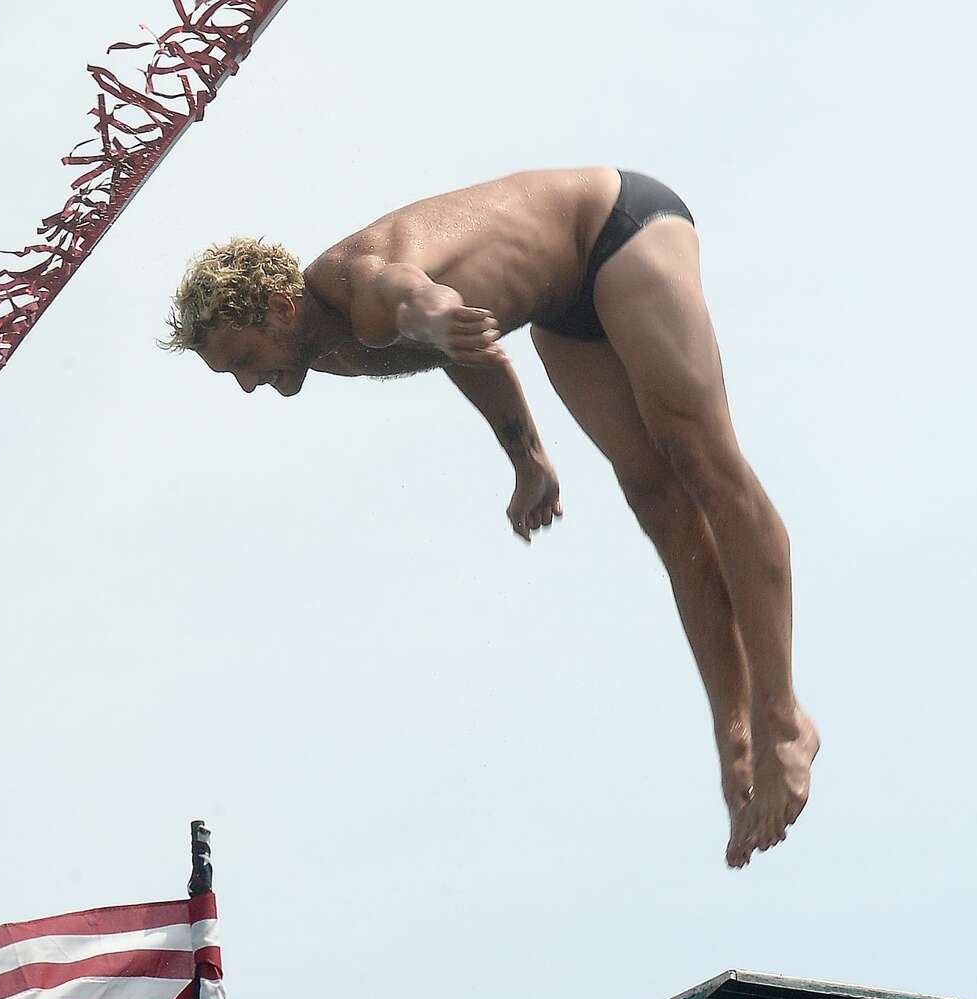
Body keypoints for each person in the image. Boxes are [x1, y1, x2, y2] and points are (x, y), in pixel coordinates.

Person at [164, 167, 818, 867]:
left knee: (701, 459)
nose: (246, 382)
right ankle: (736, 739)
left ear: (279, 308)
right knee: (656, 503)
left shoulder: (356, 288)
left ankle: (783, 717)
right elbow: (460, 349)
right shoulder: (325, 349)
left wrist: (438, 312)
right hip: (562, 309)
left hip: (616, 230)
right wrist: (527, 454)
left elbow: (411, 301)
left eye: (244, 358)